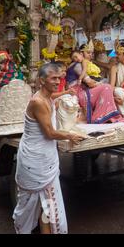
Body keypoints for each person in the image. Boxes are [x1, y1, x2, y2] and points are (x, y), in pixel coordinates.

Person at [13, 63, 85, 234]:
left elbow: (54, 97)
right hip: (35, 162)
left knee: (46, 206)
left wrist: (66, 94)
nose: (57, 81)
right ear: (41, 80)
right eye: (53, 78)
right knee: (32, 205)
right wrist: (70, 135)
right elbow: (50, 133)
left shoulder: (48, 97)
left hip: (44, 160)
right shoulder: (38, 102)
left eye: (59, 78)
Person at [66, 51, 124, 124]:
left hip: (79, 91)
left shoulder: (78, 64)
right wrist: (100, 84)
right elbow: (89, 82)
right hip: (79, 93)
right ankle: (99, 117)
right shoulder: (77, 65)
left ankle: (106, 116)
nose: (76, 59)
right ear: (82, 53)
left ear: (81, 54)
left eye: (76, 56)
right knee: (107, 88)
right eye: (74, 58)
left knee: (107, 88)